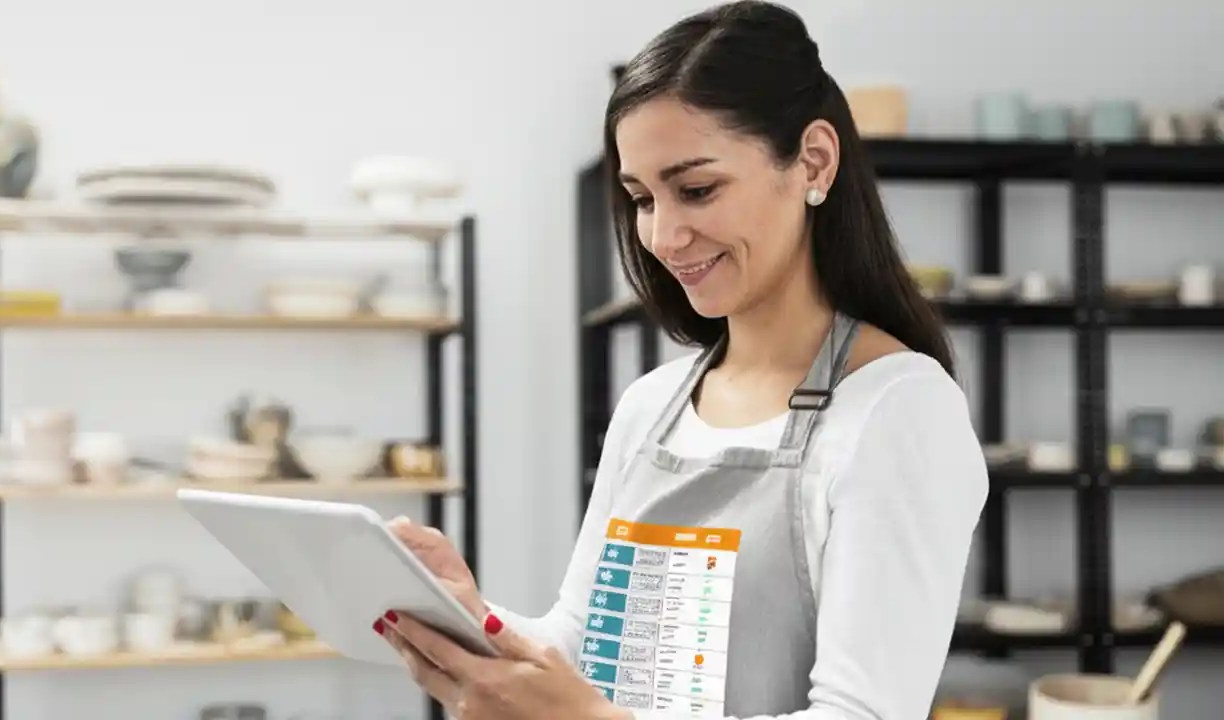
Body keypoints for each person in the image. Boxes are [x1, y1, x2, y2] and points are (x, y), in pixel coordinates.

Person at [376, 1, 989, 718]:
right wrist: (467, 617)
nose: (664, 236)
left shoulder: (898, 410)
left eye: (696, 189)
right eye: (641, 199)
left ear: (814, 162)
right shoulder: (651, 408)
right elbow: (584, 649)